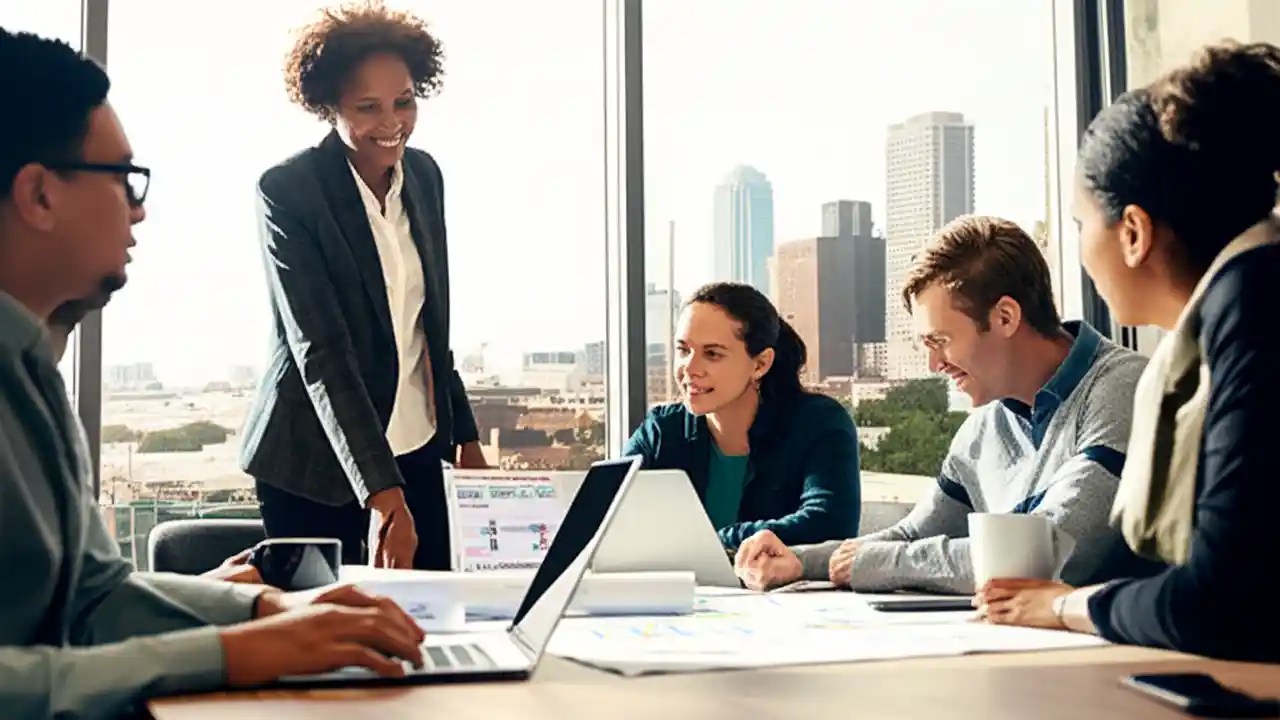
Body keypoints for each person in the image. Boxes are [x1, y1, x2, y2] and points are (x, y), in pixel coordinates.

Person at [0, 28, 427, 718]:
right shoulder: (294, 189)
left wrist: (273, 608)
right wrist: (240, 650)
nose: (139, 210)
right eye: (124, 179)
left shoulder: (31, 366)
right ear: (39, 196)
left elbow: (96, 594)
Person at [978, 40, 1280, 662]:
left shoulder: (1254, 309)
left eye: (1082, 225)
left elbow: (1222, 603)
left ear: (1134, 232)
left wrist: (1063, 607)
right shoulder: (1221, 319)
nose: (1084, 255)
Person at [736, 216, 1155, 593]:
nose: (934, 364)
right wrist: (803, 561)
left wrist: (872, 563)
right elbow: (913, 534)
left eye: (940, 341)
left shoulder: (1125, 389)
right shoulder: (981, 430)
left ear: (1005, 317)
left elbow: (1048, 555)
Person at [240, 2, 485, 571]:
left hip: (417, 449)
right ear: (329, 106)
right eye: (367, 107)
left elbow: (430, 327)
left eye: (404, 101)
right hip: (312, 466)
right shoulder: (289, 191)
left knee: (428, 630)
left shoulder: (424, 176)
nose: (391, 121)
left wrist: (466, 440)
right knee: (328, 639)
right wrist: (382, 494)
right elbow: (321, 352)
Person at [623, 282, 861, 548]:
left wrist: (710, 544)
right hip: (680, 589)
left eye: (712, 354)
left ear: (760, 364)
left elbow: (828, 524)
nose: (689, 368)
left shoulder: (819, 423)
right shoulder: (661, 431)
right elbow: (609, 519)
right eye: (683, 350)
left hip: (774, 590)